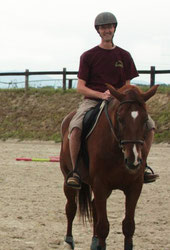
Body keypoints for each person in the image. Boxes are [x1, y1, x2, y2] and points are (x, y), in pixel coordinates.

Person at [66, 12, 158, 188]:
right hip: (93, 100)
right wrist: (101, 95)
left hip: (120, 101)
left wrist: (119, 96)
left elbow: (128, 85)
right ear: (98, 31)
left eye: (109, 27)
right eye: (103, 27)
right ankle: (76, 170)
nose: (106, 30)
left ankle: (142, 165)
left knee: (150, 125)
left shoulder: (124, 55)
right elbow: (80, 87)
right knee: (76, 126)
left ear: (114, 28)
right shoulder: (88, 55)